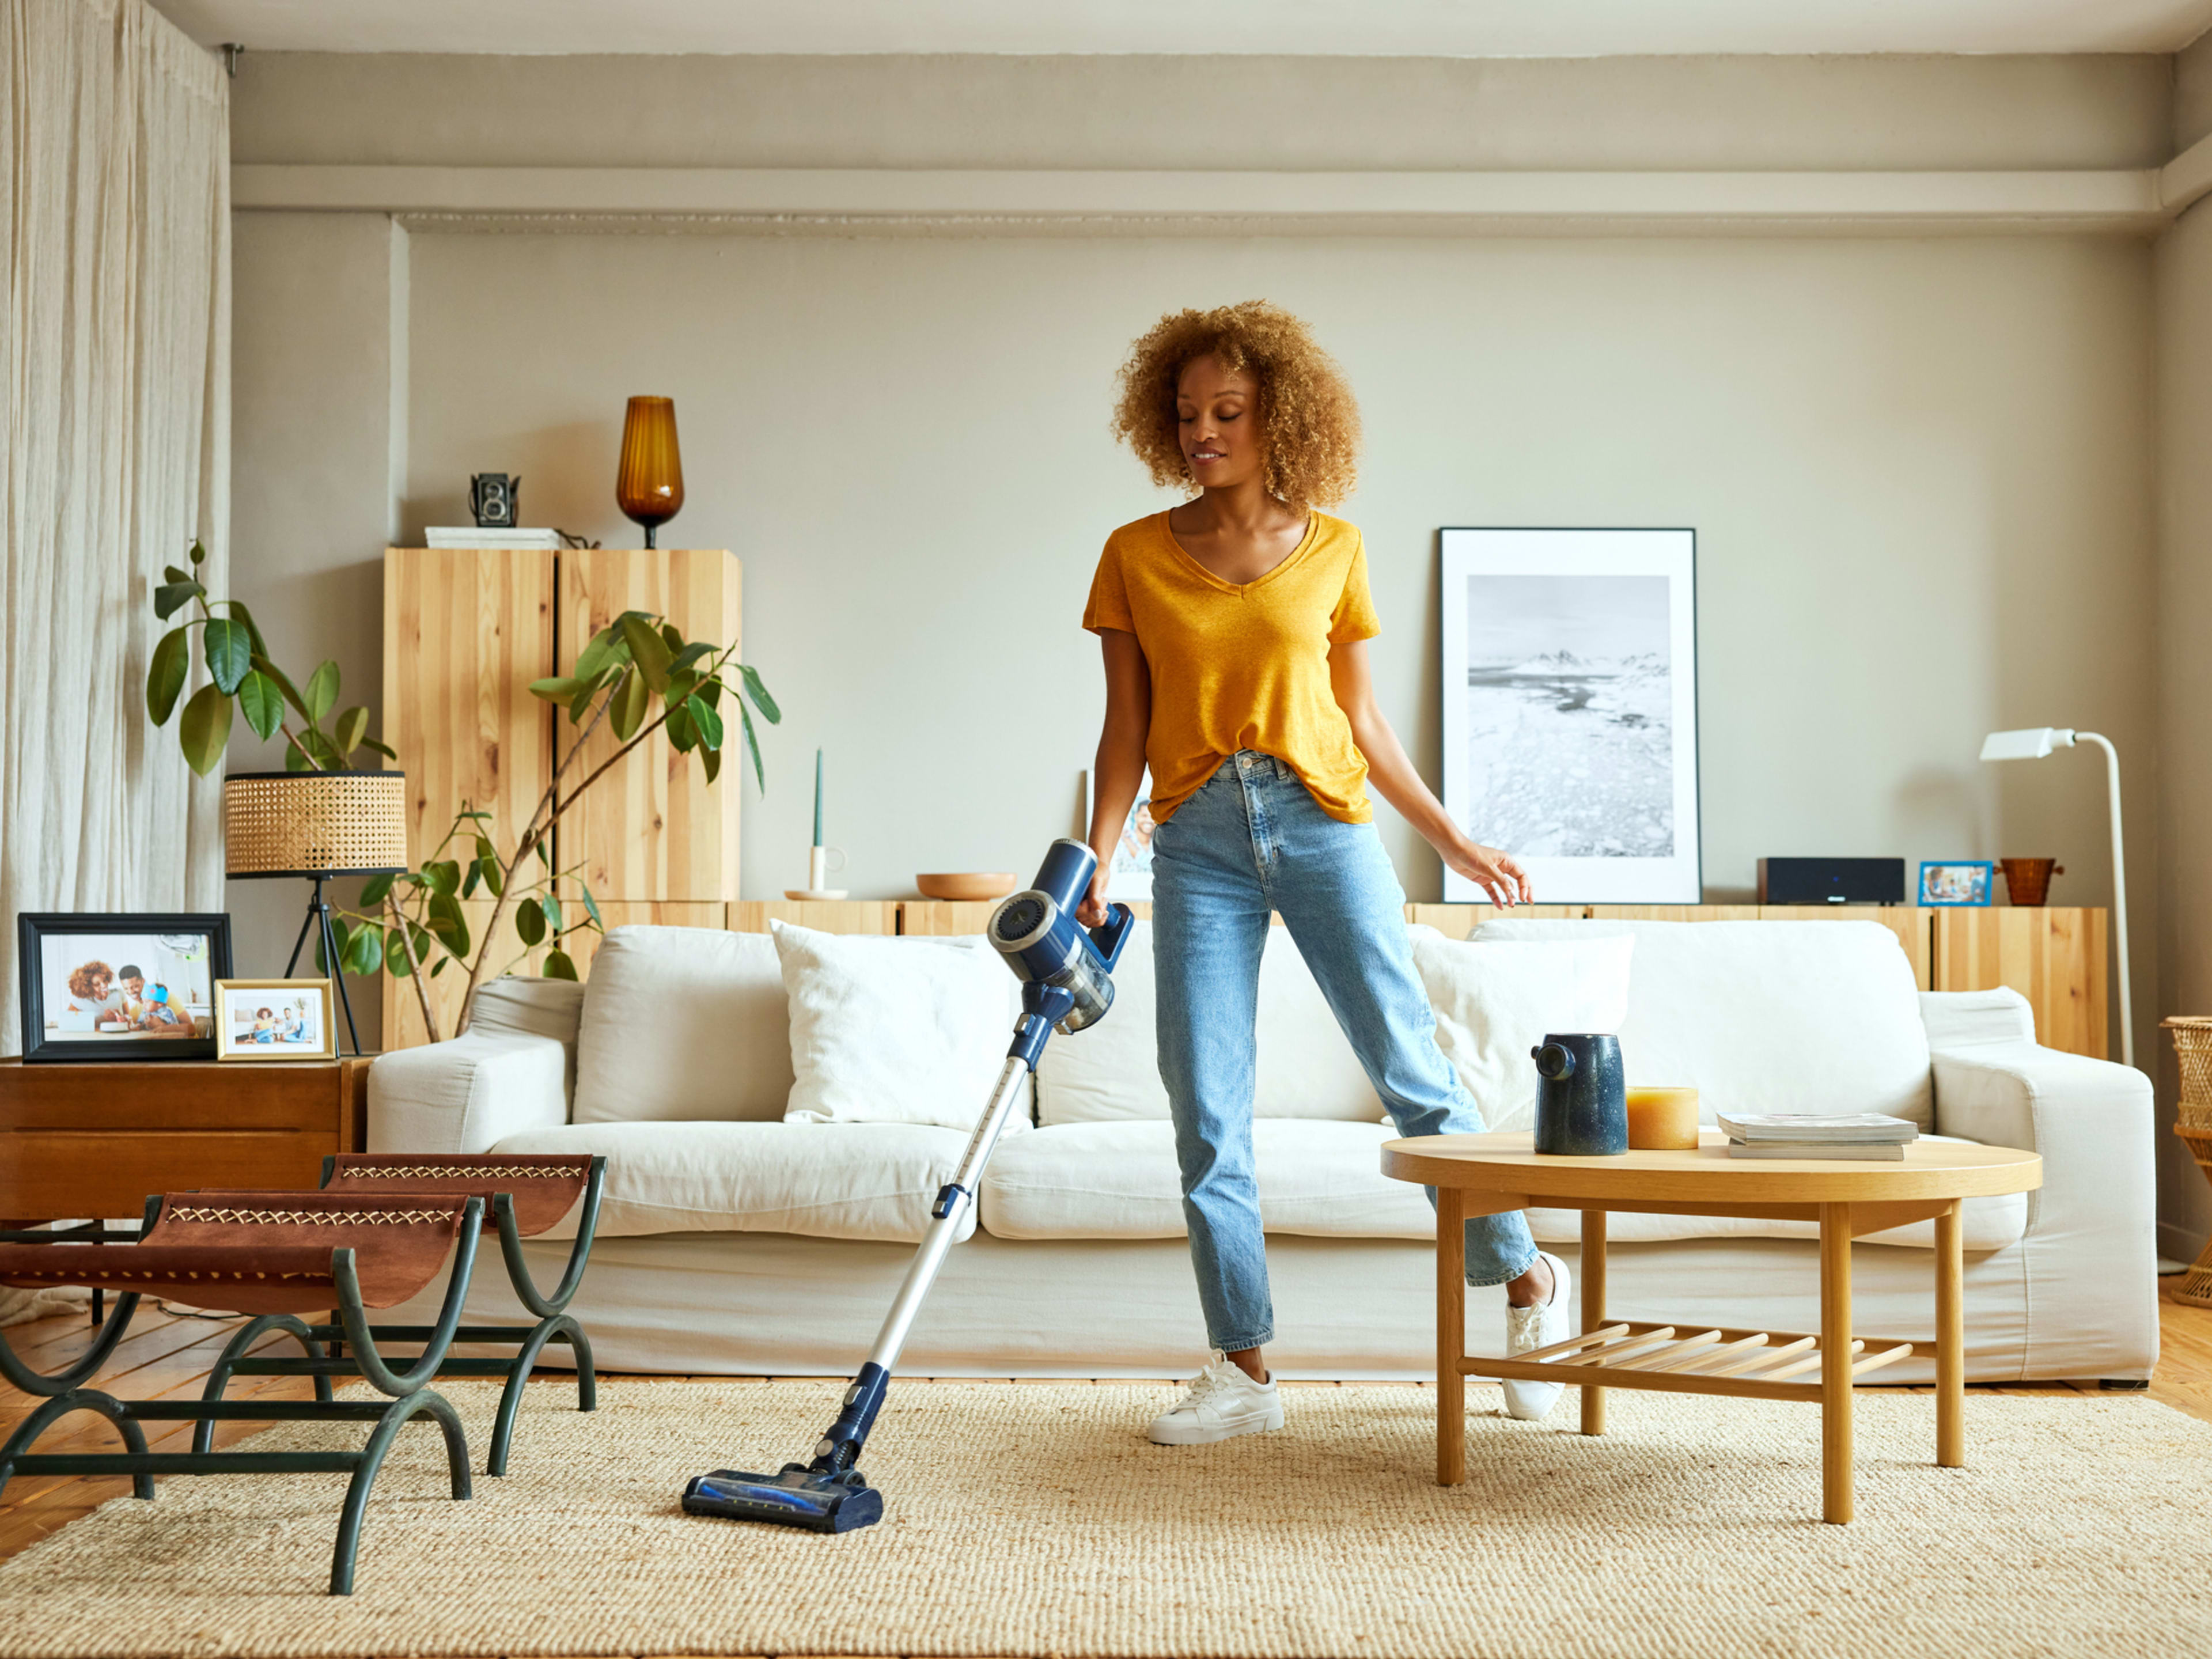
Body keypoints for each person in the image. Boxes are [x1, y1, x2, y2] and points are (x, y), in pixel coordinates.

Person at [1078, 301, 1571, 1446]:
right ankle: (1243, 1369)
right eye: (1189, 414)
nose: (1205, 433)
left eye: (1229, 413)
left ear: (1278, 418)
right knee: (1205, 1106)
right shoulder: (1134, 556)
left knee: (1414, 1071)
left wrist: (1450, 838)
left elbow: (1361, 720)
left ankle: (1528, 1286)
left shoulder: (1336, 548)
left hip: (1325, 824)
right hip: (1195, 839)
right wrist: (1094, 865)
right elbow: (1121, 731)